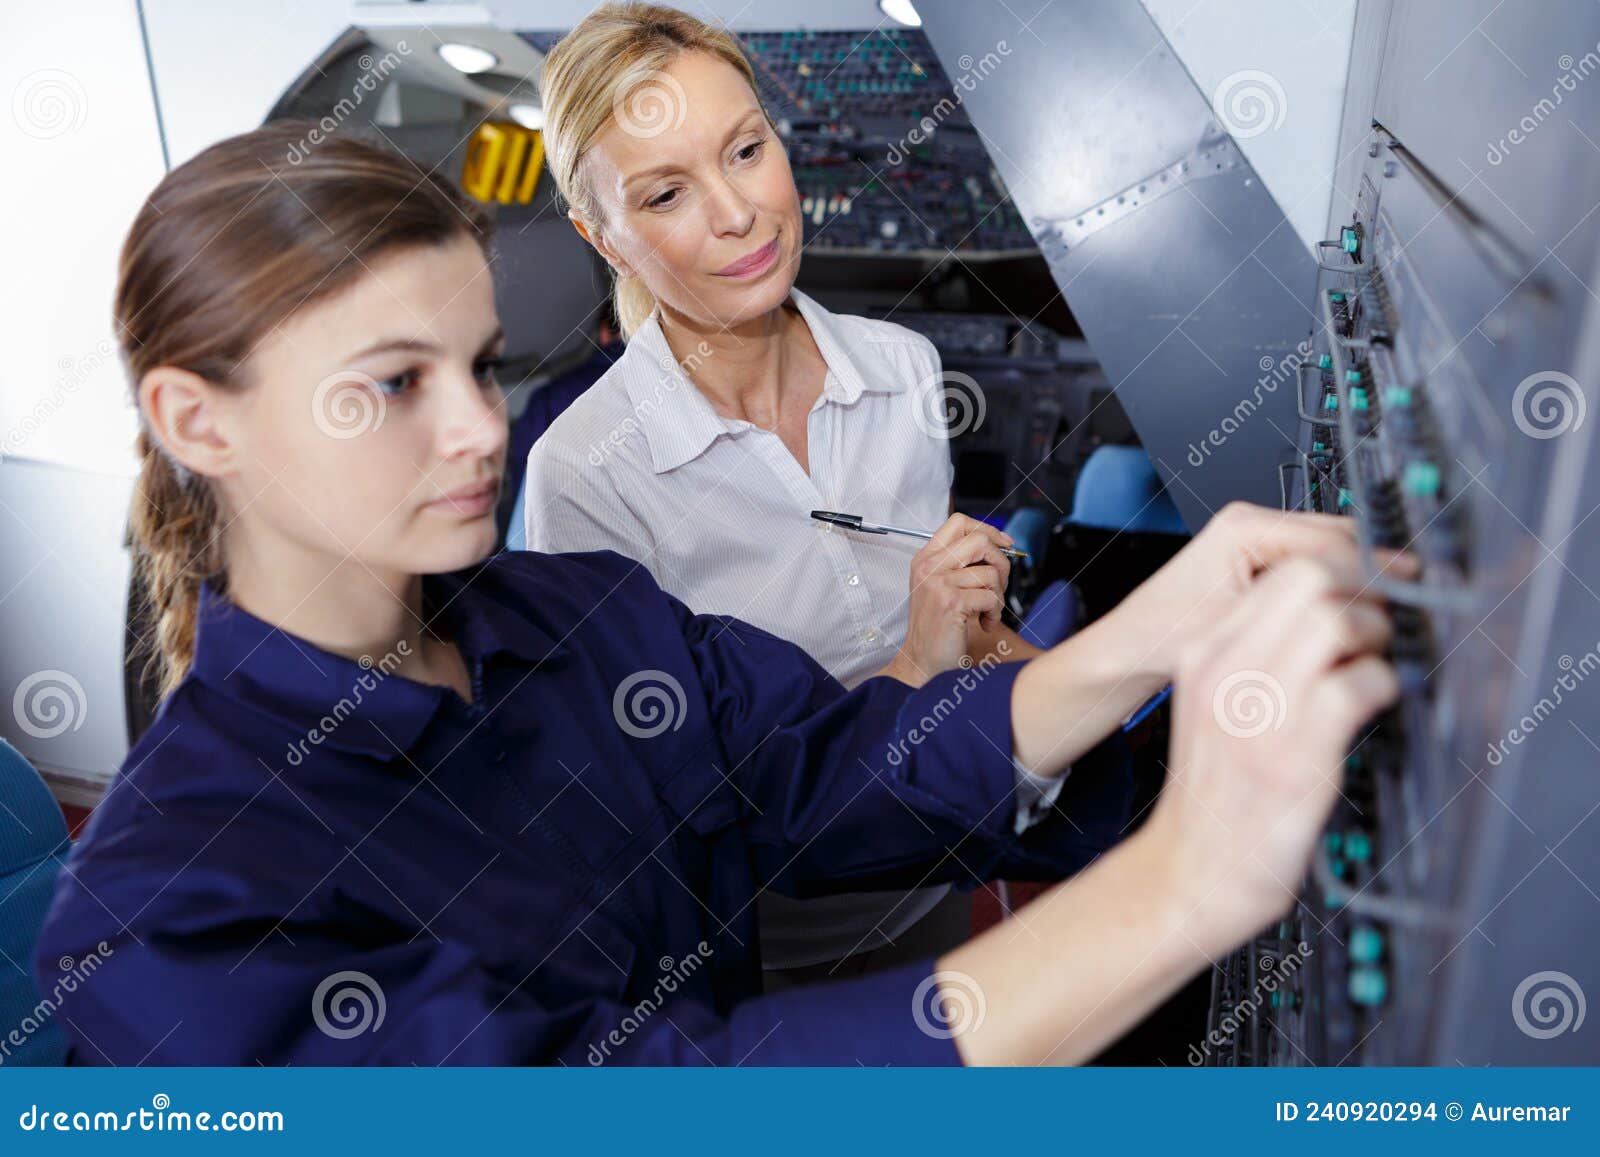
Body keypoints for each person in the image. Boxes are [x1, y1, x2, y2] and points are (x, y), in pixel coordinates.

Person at [35, 121, 1409, 1067]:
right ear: (195, 420)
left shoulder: (578, 617)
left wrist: (1156, 632)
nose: (477, 430)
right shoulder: (169, 909)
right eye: (395, 383)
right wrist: (1186, 883)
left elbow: (835, 768)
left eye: (482, 367)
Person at [524, 3, 1041, 980]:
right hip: (760, 958)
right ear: (604, 238)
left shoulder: (905, 366)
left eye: (746, 150)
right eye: (667, 193)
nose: (736, 211)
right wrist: (910, 671)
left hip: (938, 879)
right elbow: (650, 799)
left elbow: (960, 638)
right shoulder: (584, 473)